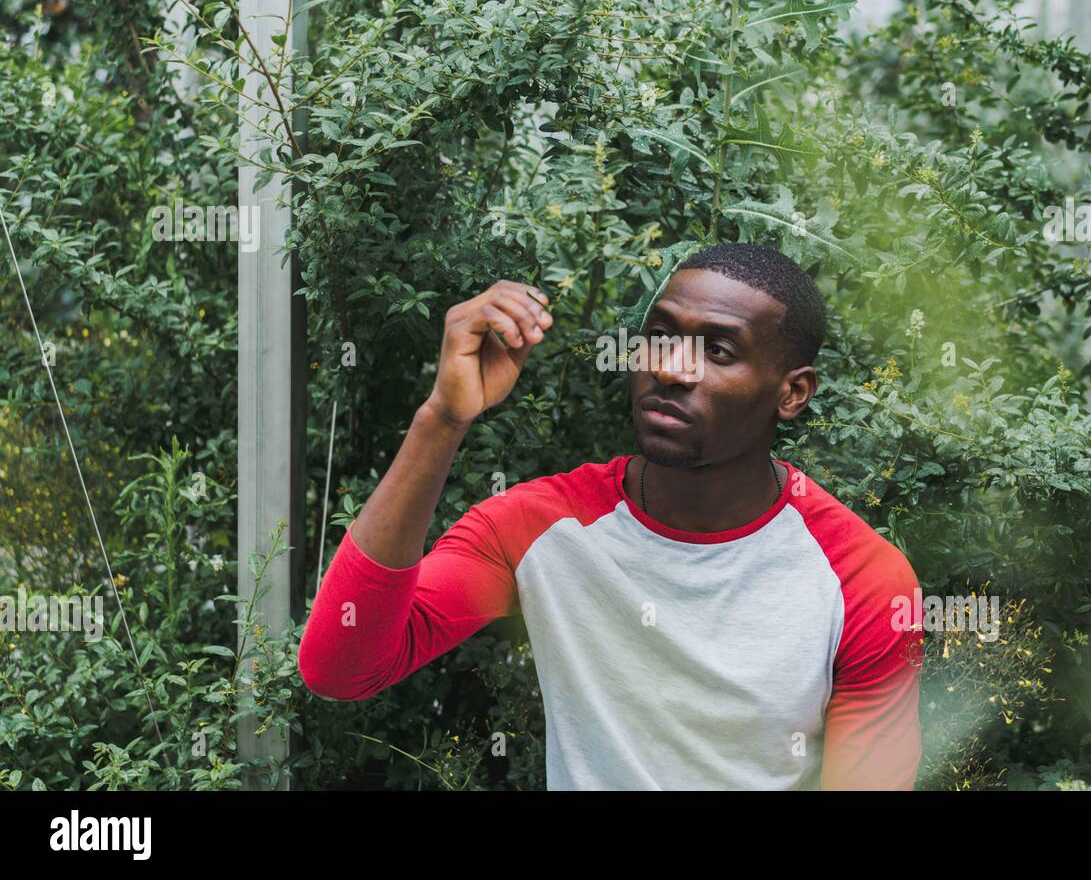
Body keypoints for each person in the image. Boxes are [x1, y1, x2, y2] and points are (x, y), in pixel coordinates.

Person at [298, 242, 924, 790]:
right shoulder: (538, 527)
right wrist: (443, 417)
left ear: (793, 392)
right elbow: (341, 670)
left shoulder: (862, 581)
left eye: (720, 351)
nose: (671, 368)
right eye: (661, 336)